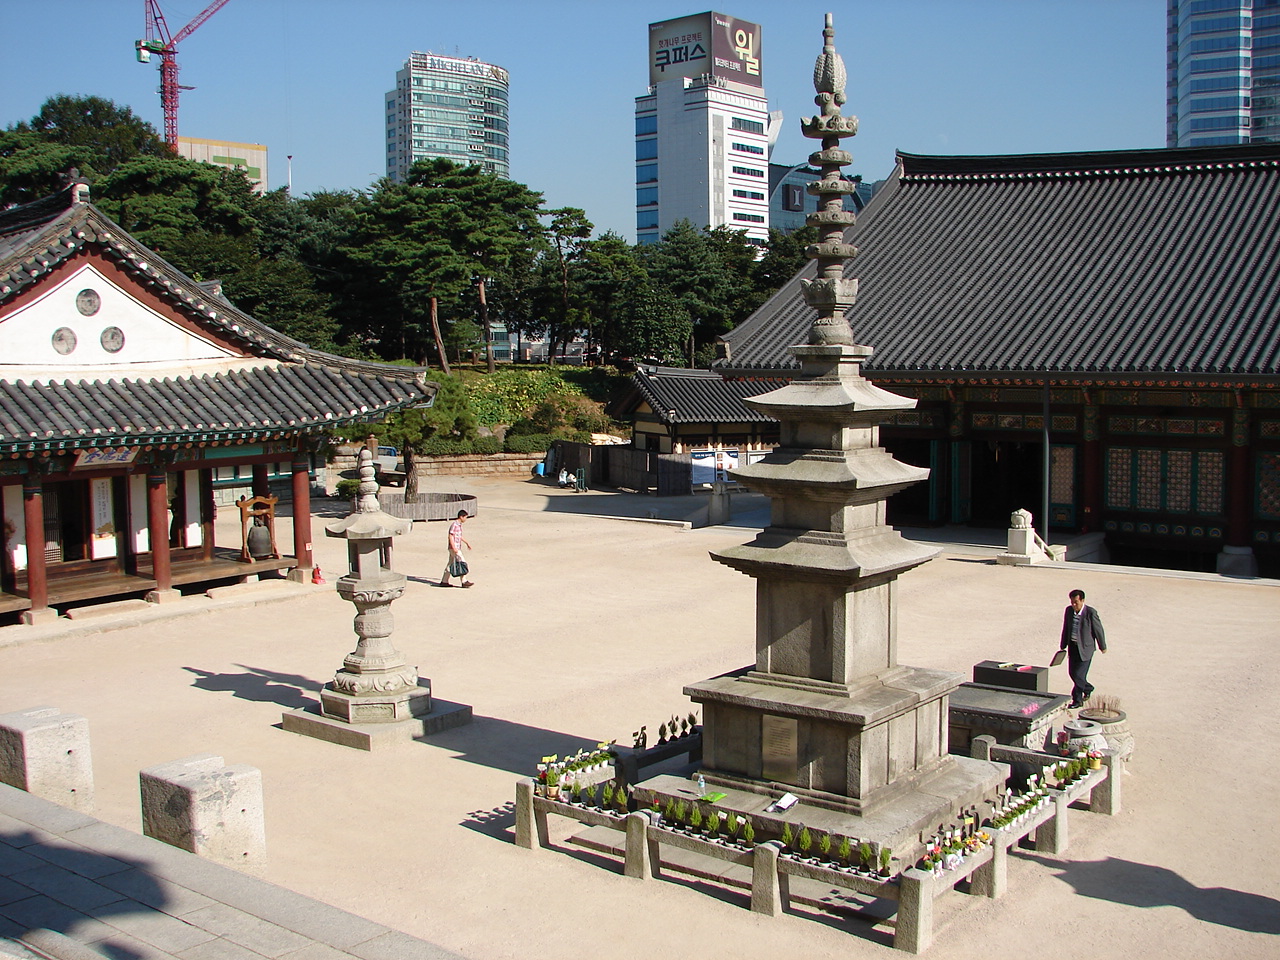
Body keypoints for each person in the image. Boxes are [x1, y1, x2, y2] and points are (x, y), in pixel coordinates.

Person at [1059, 589, 1106, 708]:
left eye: (1076, 602)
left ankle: (1077, 700)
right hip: (1073, 647)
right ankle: (1088, 688)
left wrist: (1102, 646)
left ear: (1082, 600)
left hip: (1085, 649)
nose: (1074, 605)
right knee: (1072, 673)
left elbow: (1098, 630)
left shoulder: (1090, 612)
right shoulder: (1069, 611)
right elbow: (1066, 627)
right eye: (1072, 602)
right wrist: (1063, 644)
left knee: (1079, 675)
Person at [440, 509, 473, 588]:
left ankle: (444, 581)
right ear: (461, 517)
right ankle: (464, 581)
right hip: (454, 548)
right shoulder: (454, 525)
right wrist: (454, 547)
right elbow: (450, 536)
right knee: (462, 562)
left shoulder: (459, 525)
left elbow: (459, 536)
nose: (466, 519)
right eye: (465, 517)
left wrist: (467, 543)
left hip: (456, 547)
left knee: (451, 564)